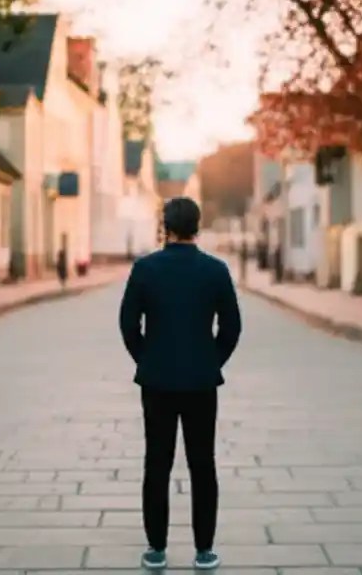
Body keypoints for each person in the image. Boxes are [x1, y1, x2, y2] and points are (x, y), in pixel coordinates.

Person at [119, 197, 242, 571]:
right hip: (201, 384)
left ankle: (156, 549)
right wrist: (210, 361)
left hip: (156, 383)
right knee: (202, 463)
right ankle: (204, 550)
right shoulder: (216, 270)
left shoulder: (145, 269)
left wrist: (148, 360)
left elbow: (128, 325)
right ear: (197, 227)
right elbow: (232, 328)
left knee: (157, 462)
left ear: (165, 227)